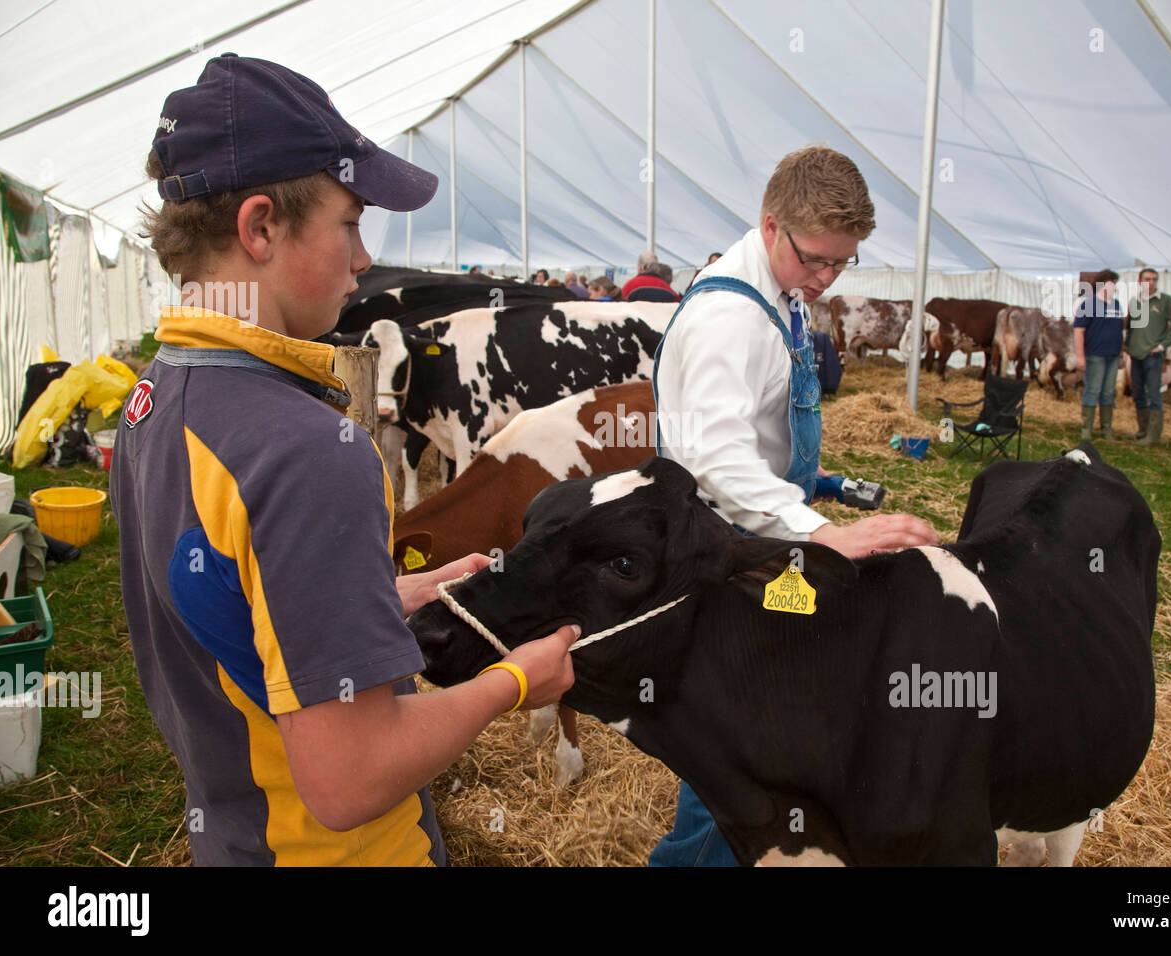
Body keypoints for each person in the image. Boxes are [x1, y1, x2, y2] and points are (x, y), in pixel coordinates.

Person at [111, 53, 577, 866]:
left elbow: (222, 599)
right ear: (261, 227)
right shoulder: (303, 450)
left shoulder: (156, 398)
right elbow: (350, 780)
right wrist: (512, 684)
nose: (364, 260)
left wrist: (367, 602)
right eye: (351, 222)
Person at [651, 145, 938, 866]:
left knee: (760, 735)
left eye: (842, 264)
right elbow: (715, 459)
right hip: (727, 557)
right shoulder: (730, 318)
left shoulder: (778, 294)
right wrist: (820, 531)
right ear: (771, 225)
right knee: (735, 752)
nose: (826, 277)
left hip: (761, 534)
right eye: (816, 259)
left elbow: (753, 436)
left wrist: (823, 484)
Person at [1126, 268, 1171, 446]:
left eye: (1154, 279)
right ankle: (1143, 430)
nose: (1151, 283)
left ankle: (1153, 436)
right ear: (1139, 281)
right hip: (1135, 355)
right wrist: (1127, 345)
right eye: (1147, 279)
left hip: (1153, 355)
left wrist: (1162, 346)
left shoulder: (1165, 301)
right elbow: (1131, 327)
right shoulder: (1134, 302)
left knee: (1153, 394)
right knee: (1137, 393)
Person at [1073, 268, 1124, 440]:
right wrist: (1080, 356)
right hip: (1095, 355)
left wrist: (1122, 354)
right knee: (1092, 390)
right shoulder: (1088, 304)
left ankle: (1106, 428)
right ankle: (1086, 428)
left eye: (1115, 283)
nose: (1115, 287)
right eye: (1112, 283)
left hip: (1113, 355)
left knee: (1108, 392)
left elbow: (1119, 331)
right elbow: (1078, 331)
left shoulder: (1116, 305)